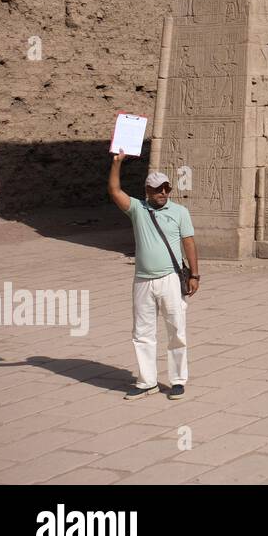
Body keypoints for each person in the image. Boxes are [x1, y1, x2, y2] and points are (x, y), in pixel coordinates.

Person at [108, 153, 199, 400]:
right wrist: (117, 162)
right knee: (142, 333)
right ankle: (147, 381)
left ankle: (178, 380)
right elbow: (115, 190)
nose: (163, 193)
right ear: (148, 190)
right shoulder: (138, 209)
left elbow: (188, 242)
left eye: (166, 188)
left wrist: (195, 274)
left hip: (170, 278)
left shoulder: (179, 212)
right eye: (158, 189)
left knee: (176, 330)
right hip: (143, 280)